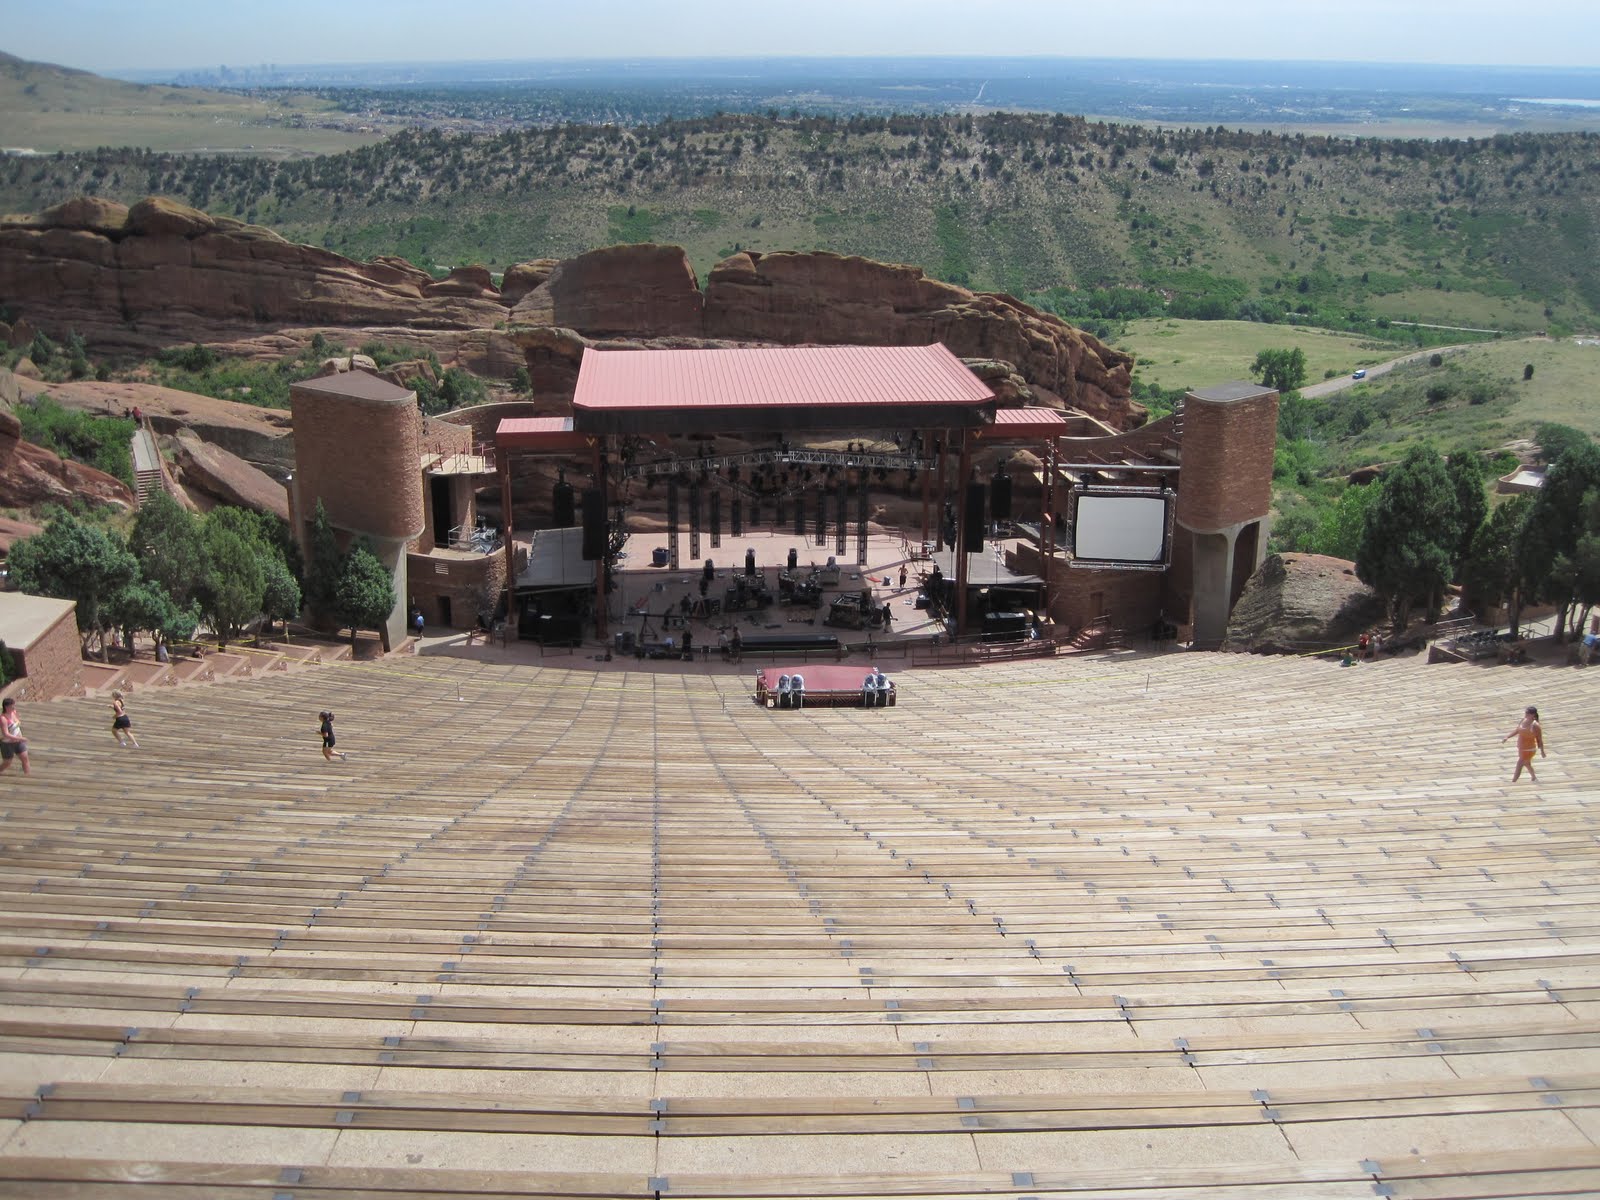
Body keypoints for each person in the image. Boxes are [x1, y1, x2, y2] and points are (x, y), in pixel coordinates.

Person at [1502, 706, 1545, 783]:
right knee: (1527, 763)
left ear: (1533, 715)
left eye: (1527, 713)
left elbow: (1539, 740)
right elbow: (1517, 730)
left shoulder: (1535, 726)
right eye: (1526, 712)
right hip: (1521, 747)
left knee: (1520, 764)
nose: (1526, 714)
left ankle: (1513, 781)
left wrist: (1542, 751)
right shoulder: (1523, 720)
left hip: (1529, 749)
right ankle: (1534, 777)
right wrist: (1507, 737)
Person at [0, 697, 30, 776]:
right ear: (6, 707)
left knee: (25, 758)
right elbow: (6, 734)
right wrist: (20, 738)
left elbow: (17, 725)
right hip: (7, 744)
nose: (14, 707)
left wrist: (19, 736)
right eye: (12, 705)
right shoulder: (3, 719)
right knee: (7, 763)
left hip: (18, 742)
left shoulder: (14, 712)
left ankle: (27, 776)